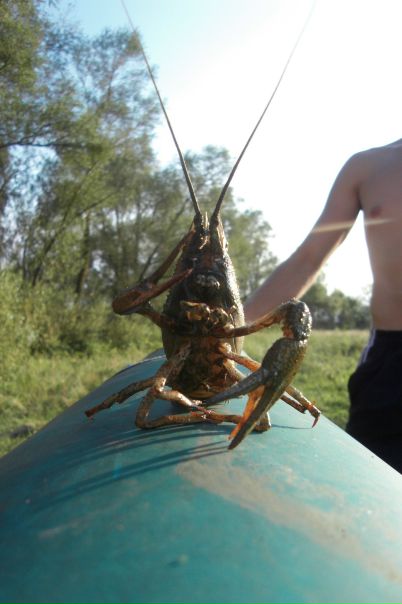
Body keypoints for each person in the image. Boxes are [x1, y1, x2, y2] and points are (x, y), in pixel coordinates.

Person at [244, 138, 402, 473]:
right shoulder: (367, 167)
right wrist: (229, 329)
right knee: (371, 483)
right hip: (390, 365)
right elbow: (308, 259)